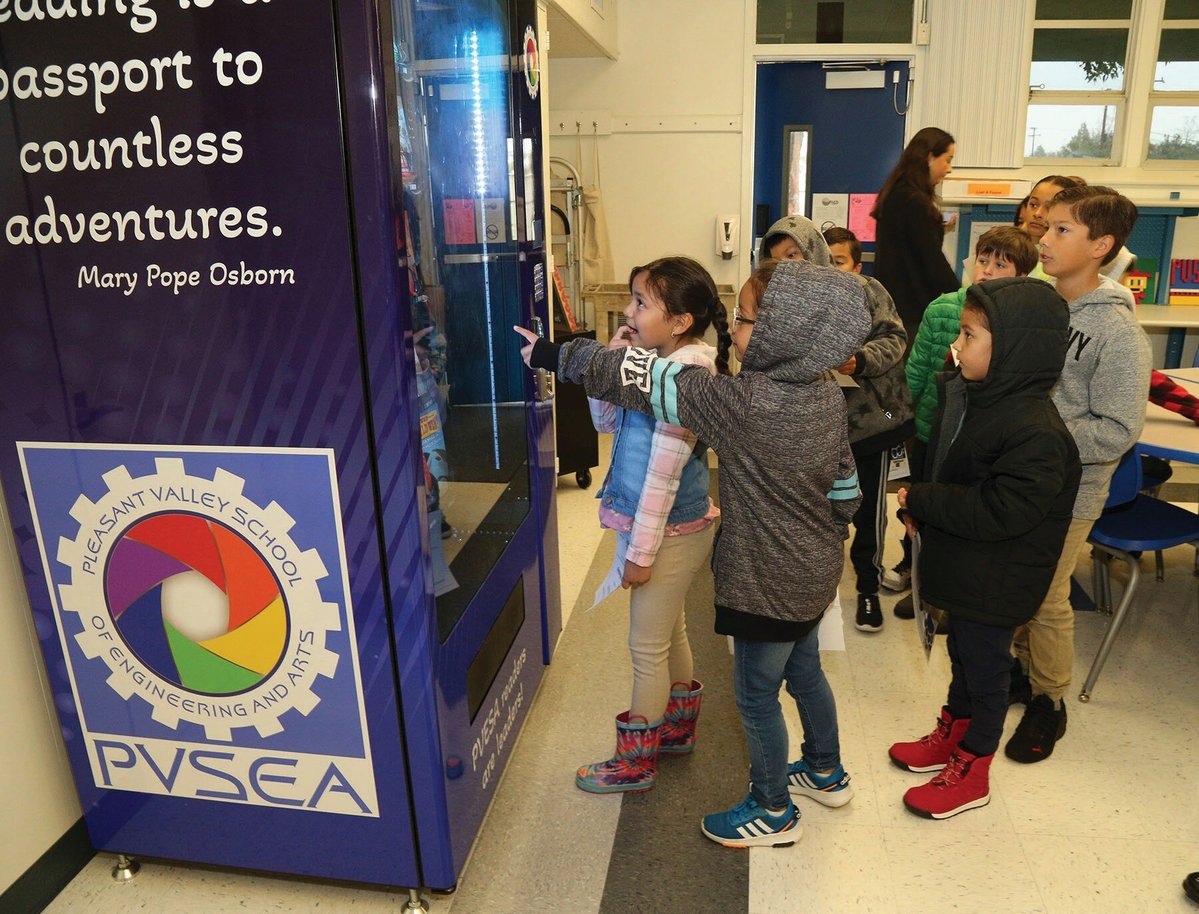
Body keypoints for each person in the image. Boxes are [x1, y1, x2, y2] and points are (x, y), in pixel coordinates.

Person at [515, 257, 871, 848]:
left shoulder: (742, 403)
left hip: (764, 580)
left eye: (746, 320)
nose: (734, 328)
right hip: (815, 569)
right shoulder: (826, 394)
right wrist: (818, 535)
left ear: (784, 335)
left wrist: (555, 354)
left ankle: (772, 809)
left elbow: (640, 380)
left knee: (755, 696)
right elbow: (846, 490)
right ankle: (825, 771)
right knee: (805, 671)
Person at [889, 277, 1081, 819]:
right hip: (973, 568)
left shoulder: (1036, 431)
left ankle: (973, 769)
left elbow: (1000, 510)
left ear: (1014, 351)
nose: (956, 345)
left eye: (969, 335)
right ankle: (953, 734)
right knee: (964, 659)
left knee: (988, 674)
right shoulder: (985, 400)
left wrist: (925, 499)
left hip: (999, 579)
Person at [1006, 185, 1151, 763]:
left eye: (1061, 229)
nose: (1043, 238)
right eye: (1046, 226)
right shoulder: (1037, 305)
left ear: (1101, 246)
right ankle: (1022, 672)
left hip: (1070, 489)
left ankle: (1050, 699)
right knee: (1015, 584)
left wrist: (1036, 440)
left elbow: (1117, 429)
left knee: (1046, 596)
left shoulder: (1118, 333)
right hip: (1018, 478)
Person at [574, 257, 729, 794]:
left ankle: (635, 762)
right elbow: (606, 423)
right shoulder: (651, 362)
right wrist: (610, 366)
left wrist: (640, 556)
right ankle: (677, 728)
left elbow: (663, 477)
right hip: (668, 530)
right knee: (669, 631)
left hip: (669, 533)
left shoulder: (686, 379)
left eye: (641, 303)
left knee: (645, 648)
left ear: (680, 321)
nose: (628, 311)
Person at [756, 219, 912, 634]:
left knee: (868, 511)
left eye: (794, 255)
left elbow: (894, 338)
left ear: (814, 252)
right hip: (808, 426)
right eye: (777, 259)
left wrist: (857, 360)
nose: (788, 266)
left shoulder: (864, 289)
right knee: (814, 512)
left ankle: (867, 586)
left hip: (869, 423)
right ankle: (813, 591)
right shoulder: (771, 301)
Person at [891, 226, 1040, 616]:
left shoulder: (1020, 320)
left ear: (1022, 276)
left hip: (979, 442)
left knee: (962, 513)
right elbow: (916, 370)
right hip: (931, 430)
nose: (987, 270)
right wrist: (901, 419)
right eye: (983, 260)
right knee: (920, 505)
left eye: (1000, 265)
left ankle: (950, 592)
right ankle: (917, 576)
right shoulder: (943, 308)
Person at [871, 127, 961, 351]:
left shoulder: (896, 193)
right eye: (947, 160)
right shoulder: (915, 201)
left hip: (891, 304)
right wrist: (961, 297)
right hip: (911, 309)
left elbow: (908, 242)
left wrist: (935, 227)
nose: (949, 169)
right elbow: (932, 260)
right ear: (930, 157)